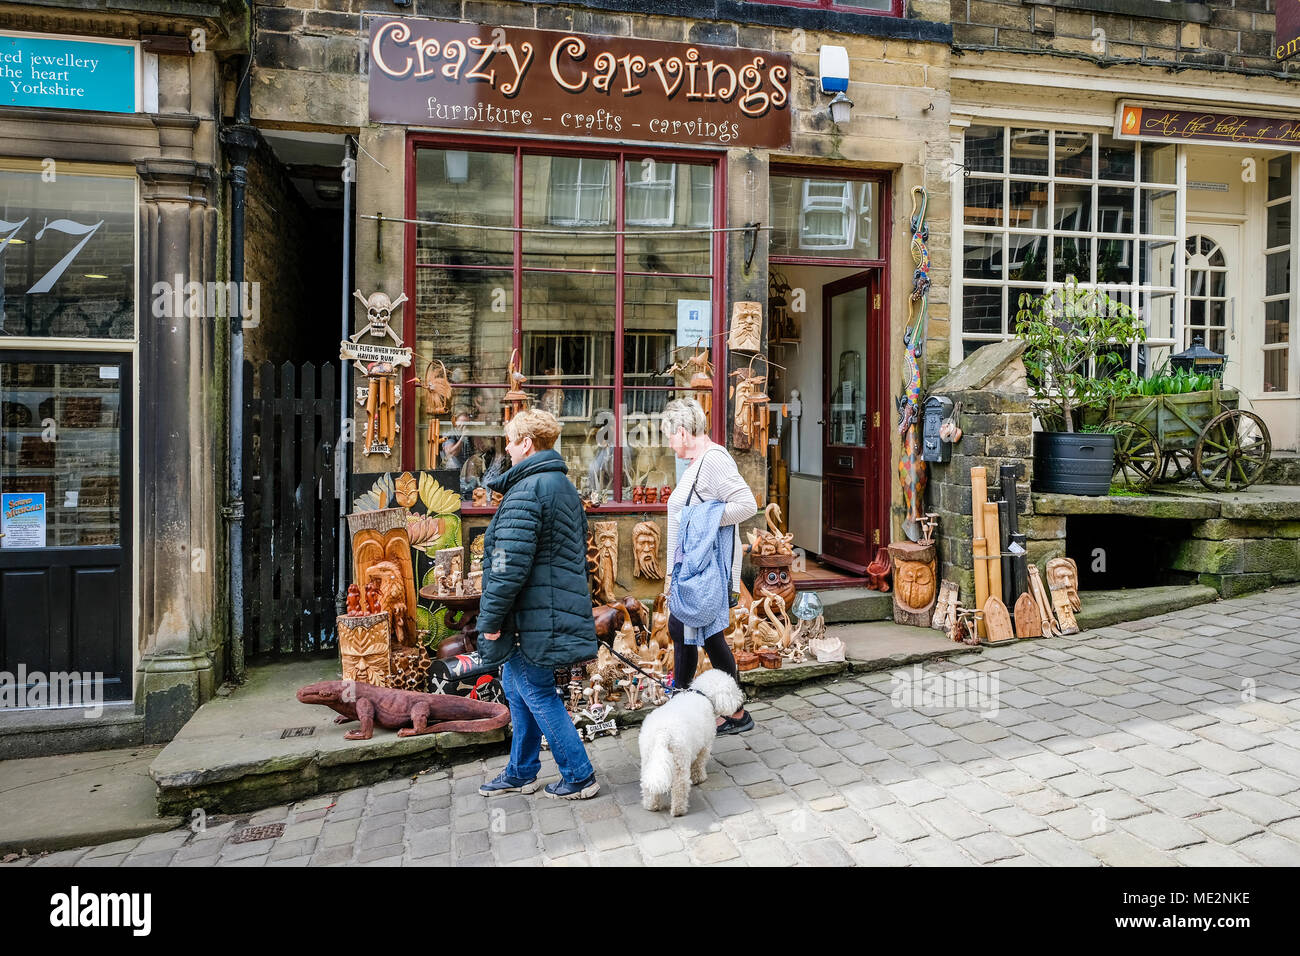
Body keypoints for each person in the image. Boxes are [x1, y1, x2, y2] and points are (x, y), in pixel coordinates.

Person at [476, 408, 601, 800]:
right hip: (545, 610)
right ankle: (521, 771)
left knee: (535, 689)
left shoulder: (527, 491)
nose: (508, 449)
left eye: (511, 441)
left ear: (527, 444)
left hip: (531, 616)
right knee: (517, 686)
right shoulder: (561, 485)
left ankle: (579, 775)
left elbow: (505, 564)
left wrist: (491, 618)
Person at [661, 398, 758, 735]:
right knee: (699, 633)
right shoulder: (697, 463)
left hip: (704, 570)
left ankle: (693, 704)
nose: (669, 443)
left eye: (670, 436)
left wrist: (706, 521)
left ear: (684, 432)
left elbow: (747, 504)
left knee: (685, 629)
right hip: (691, 569)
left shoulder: (713, 461)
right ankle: (728, 710)